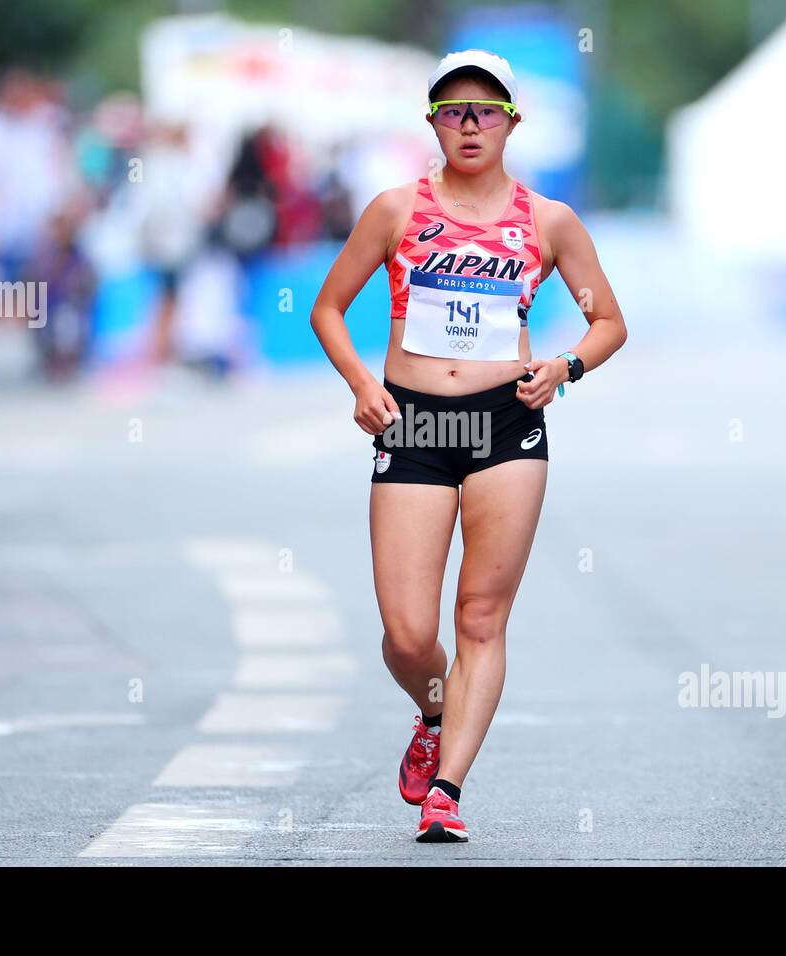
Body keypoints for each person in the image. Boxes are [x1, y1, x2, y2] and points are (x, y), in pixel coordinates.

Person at [310, 50, 627, 842]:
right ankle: (432, 709)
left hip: (505, 424)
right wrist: (360, 383)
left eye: (486, 110)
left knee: (481, 617)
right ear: (432, 123)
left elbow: (608, 321)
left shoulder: (549, 222)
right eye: (454, 111)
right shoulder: (394, 210)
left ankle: (448, 786)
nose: (471, 124)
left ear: (512, 122)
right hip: (411, 422)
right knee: (409, 632)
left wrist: (565, 366)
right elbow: (327, 308)